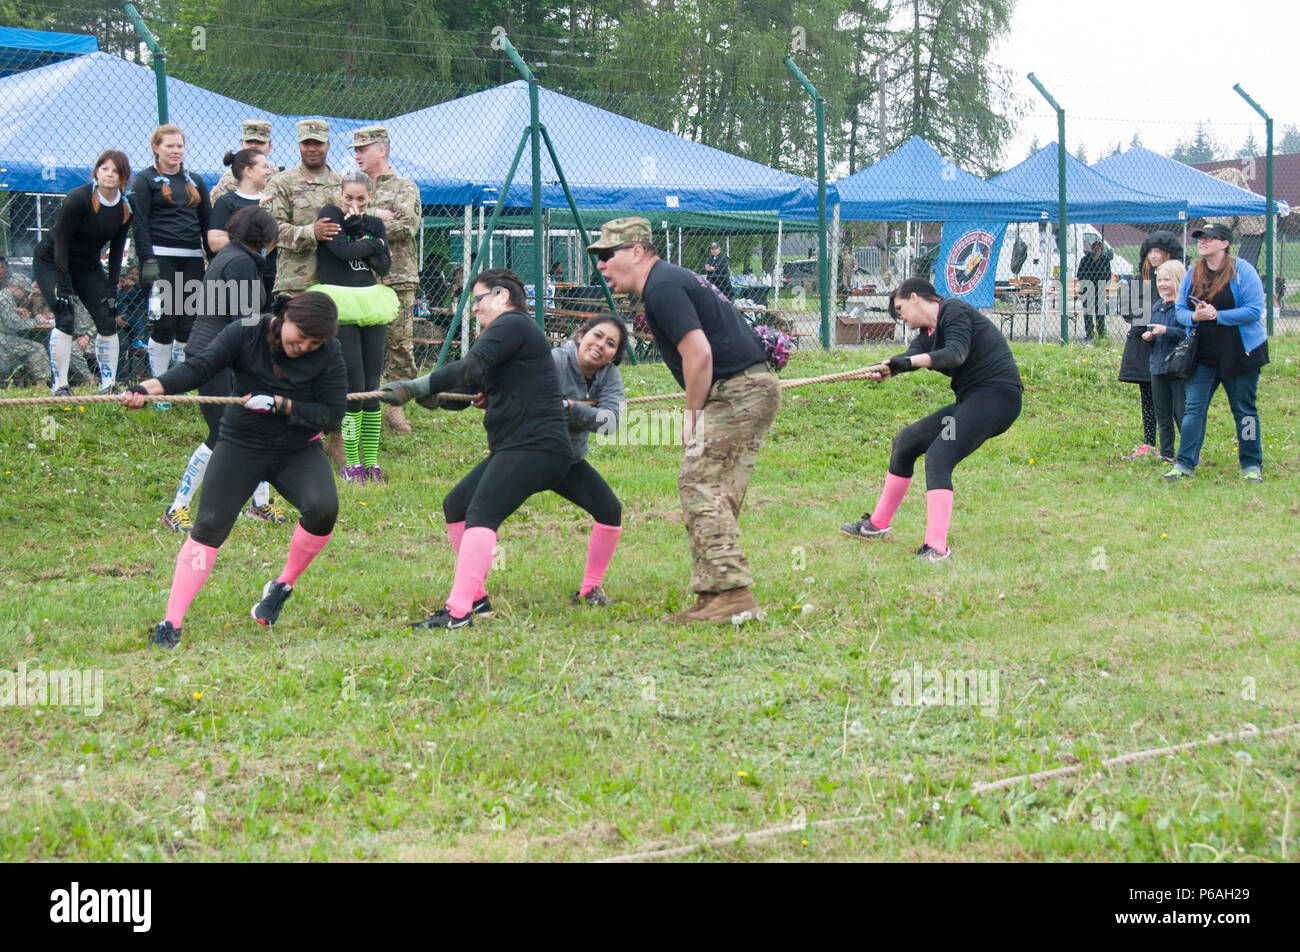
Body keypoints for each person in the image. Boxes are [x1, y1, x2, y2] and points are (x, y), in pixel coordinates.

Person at [122, 292, 346, 650]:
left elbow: (332, 414)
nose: (304, 346)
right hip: (241, 444)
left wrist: (281, 404)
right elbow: (198, 368)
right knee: (208, 525)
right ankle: (171, 623)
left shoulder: (329, 353)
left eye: (314, 342)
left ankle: (281, 587)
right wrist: (147, 389)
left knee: (323, 509)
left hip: (297, 449)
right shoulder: (245, 332)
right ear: (285, 316)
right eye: (300, 335)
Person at [592, 218, 780, 624]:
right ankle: (715, 596)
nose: (602, 266)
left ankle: (732, 593)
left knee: (698, 483)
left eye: (608, 255)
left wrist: (691, 416)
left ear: (637, 251)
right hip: (750, 386)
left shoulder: (661, 287)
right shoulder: (668, 281)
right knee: (717, 491)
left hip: (737, 391)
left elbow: (699, 355)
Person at [378, 268, 577, 629]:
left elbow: (469, 365)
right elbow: (471, 391)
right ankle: (476, 599)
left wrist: (415, 387)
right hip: (519, 446)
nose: (473, 309)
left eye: (478, 300)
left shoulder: (513, 323)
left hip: (535, 445)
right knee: (457, 505)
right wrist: (434, 399)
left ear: (502, 295)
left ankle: (456, 613)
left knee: (481, 515)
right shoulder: (505, 336)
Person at [840, 278, 1023, 562]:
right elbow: (910, 356)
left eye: (901, 310)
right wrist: (887, 368)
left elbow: (955, 354)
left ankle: (936, 549)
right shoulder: (927, 332)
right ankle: (876, 525)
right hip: (972, 401)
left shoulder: (954, 311)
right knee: (907, 441)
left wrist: (907, 363)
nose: (904, 321)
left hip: (997, 398)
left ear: (915, 297)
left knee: (939, 455)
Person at [160, 206, 285, 532]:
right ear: (263, 237)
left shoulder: (234, 256)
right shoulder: (241, 262)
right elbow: (243, 323)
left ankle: (259, 504)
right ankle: (177, 508)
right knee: (221, 435)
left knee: (255, 426)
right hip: (213, 359)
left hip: (220, 355)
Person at [309, 172, 396, 484]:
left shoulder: (374, 222)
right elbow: (342, 252)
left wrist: (369, 239)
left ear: (370, 197)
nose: (355, 204)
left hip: (371, 302)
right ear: (340, 194)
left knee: (373, 384)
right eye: (349, 197)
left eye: (361, 198)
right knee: (354, 384)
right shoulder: (330, 215)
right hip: (341, 302)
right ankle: (352, 462)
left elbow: (385, 266)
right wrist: (372, 244)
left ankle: (371, 463)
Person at [1163, 224, 1268, 483]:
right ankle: (1184, 464)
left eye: (1209, 238)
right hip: (1204, 357)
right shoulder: (1193, 271)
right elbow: (1180, 311)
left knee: (1245, 410)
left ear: (1224, 243)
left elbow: (1254, 310)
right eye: (1200, 237)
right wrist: (1196, 317)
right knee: (1193, 410)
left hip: (1240, 355)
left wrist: (1217, 316)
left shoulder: (1243, 270)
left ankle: (1251, 465)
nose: (1202, 241)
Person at [32, 150, 133, 395]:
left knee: (107, 319)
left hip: (88, 267)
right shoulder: (78, 198)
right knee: (65, 316)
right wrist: (64, 286)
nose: (109, 175)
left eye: (115, 171)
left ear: (123, 177)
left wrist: (111, 287)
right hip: (53, 262)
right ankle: (60, 386)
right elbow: (61, 243)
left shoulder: (125, 208)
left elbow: (118, 248)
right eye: (105, 169)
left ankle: (108, 385)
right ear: (96, 172)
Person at [550, 312, 627, 605]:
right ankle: (475, 594)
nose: (600, 345)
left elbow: (610, 423)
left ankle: (589, 590)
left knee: (610, 510)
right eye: (597, 335)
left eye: (610, 344)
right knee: (465, 507)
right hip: (529, 456)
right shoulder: (554, 361)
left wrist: (571, 408)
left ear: (612, 356)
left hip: (568, 461)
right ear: (582, 335)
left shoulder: (609, 376)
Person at [352, 125, 421, 436]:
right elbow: (345, 222)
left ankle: (396, 405)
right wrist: (377, 216)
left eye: (362, 149)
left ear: (381, 150)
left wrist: (365, 219)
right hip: (359, 275)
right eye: (355, 150)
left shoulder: (405, 187)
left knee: (398, 342)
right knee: (360, 344)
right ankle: (360, 403)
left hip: (397, 275)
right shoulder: (354, 185)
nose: (357, 155)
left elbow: (407, 227)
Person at [130, 124, 212, 380]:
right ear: (156, 148)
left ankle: (180, 381)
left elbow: (207, 223)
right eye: (169, 146)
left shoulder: (195, 180)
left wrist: (216, 258)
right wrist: (147, 260)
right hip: (159, 258)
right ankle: (159, 383)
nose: (176, 151)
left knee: (188, 323)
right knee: (164, 321)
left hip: (191, 259)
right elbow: (139, 224)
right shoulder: (144, 180)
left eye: (179, 146)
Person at [1118, 230, 1183, 459]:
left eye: (1159, 252)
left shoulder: (1175, 285)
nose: (1154, 256)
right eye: (1150, 252)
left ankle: (1185, 445)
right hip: (1142, 347)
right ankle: (1149, 443)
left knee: (1176, 401)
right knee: (1147, 396)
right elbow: (1128, 312)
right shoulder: (1139, 281)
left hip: (1169, 349)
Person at [208, 147, 277, 300]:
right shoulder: (227, 202)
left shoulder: (271, 201)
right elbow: (215, 242)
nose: (269, 172)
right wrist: (251, 242)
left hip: (269, 276)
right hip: (238, 275)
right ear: (249, 171)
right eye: (264, 167)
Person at [1141, 259, 1188, 464]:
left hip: (1177, 368)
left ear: (1177, 280)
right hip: (1157, 366)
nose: (1162, 284)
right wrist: (1150, 337)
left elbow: (1187, 334)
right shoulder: (1158, 306)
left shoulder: (1183, 307)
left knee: (1181, 412)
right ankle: (1167, 453)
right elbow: (1155, 333)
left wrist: (1166, 331)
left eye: (1166, 280)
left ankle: (1188, 452)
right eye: (1159, 280)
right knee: (1162, 413)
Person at [209, 120, 277, 202]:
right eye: (249, 141)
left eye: (260, 142)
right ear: (242, 144)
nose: (253, 146)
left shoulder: (278, 177)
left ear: (270, 147)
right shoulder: (228, 180)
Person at [1075, 238, 1112, 341]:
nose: (1096, 250)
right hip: (1087, 289)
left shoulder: (1104, 260)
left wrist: (1101, 281)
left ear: (1101, 250)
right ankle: (1089, 333)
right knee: (1088, 312)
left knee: (1100, 312)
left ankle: (1101, 333)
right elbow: (1080, 274)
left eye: (1098, 249)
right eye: (1094, 248)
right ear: (1092, 249)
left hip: (1099, 289)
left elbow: (1108, 275)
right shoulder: (1085, 259)